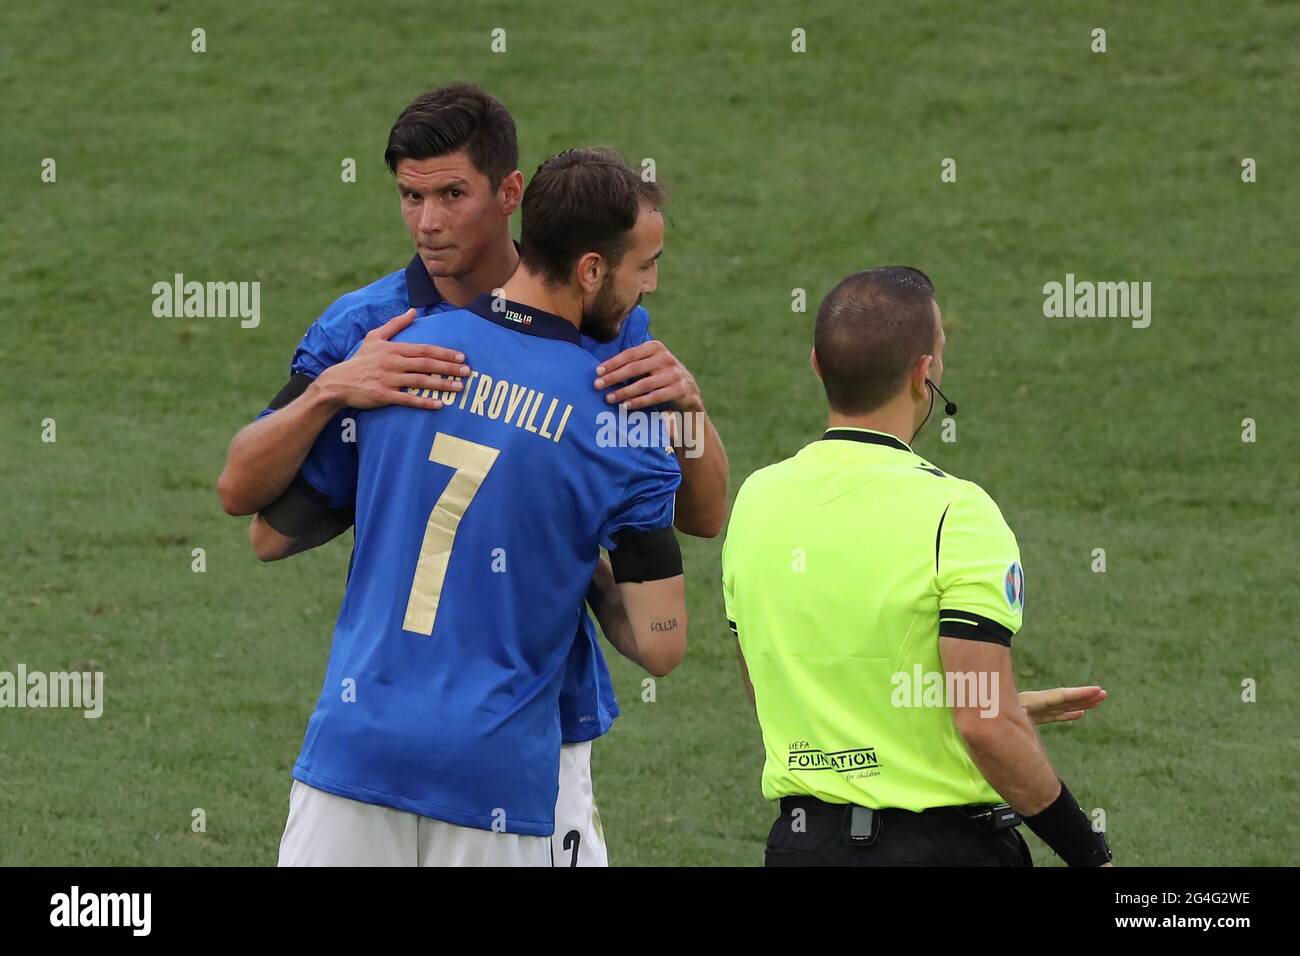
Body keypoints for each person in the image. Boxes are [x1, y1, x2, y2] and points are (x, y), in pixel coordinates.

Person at [216, 84, 728, 865]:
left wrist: (690, 410)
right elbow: (251, 510)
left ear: (509, 196)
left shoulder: (598, 332)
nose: (428, 221)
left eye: (451, 194)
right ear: (595, 268)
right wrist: (330, 391)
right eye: (410, 197)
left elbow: (704, 509)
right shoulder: (371, 336)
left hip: (493, 727)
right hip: (492, 738)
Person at [721, 267, 1112, 866]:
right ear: (923, 375)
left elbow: (776, 690)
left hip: (802, 849)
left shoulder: (754, 501)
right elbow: (984, 726)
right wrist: (1089, 853)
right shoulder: (958, 512)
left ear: (817, 365)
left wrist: (975, 707)